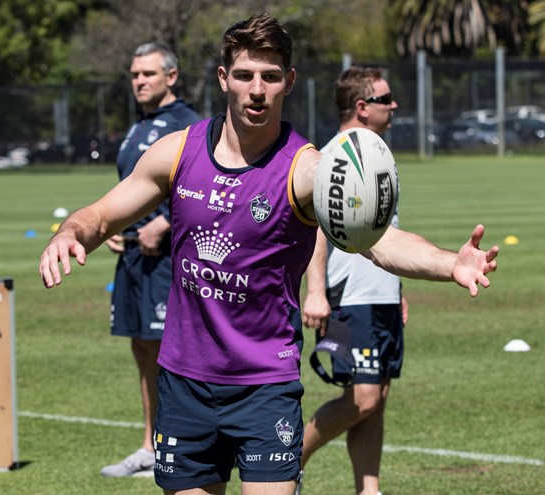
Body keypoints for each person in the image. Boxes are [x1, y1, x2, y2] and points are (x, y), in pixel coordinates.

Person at [39, 13, 498, 495]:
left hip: (264, 386)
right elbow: (103, 214)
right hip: (183, 381)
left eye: (271, 76)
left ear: (289, 81)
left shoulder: (306, 170)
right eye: (244, 75)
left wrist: (450, 262)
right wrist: (71, 232)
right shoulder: (177, 152)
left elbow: (377, 241)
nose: (256, 90)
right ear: (224, 79)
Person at [298, 67, 405, 495]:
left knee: (376, 398)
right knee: (361, 398)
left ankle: (369, 489)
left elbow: (388, 235)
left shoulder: (379, 155)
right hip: (348, 299)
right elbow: (315, 233)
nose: (393, 104)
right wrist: (317, 292)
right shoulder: (330, 161)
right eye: (385, 98)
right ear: (361, 107)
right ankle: (290, 463)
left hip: (381, 297)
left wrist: (398, 290)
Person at [100, 42, 200, 478]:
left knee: (169, 354)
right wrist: (110, 228)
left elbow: (210, 193)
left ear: (171, 77)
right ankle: (151, 445)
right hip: (134, 259)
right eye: (135, 74)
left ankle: (183, 448)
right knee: (142, 348)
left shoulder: (190, 126)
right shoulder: (138, 126)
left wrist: (164, 223)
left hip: (169, 261)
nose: (139, 81)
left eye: (148, 74)